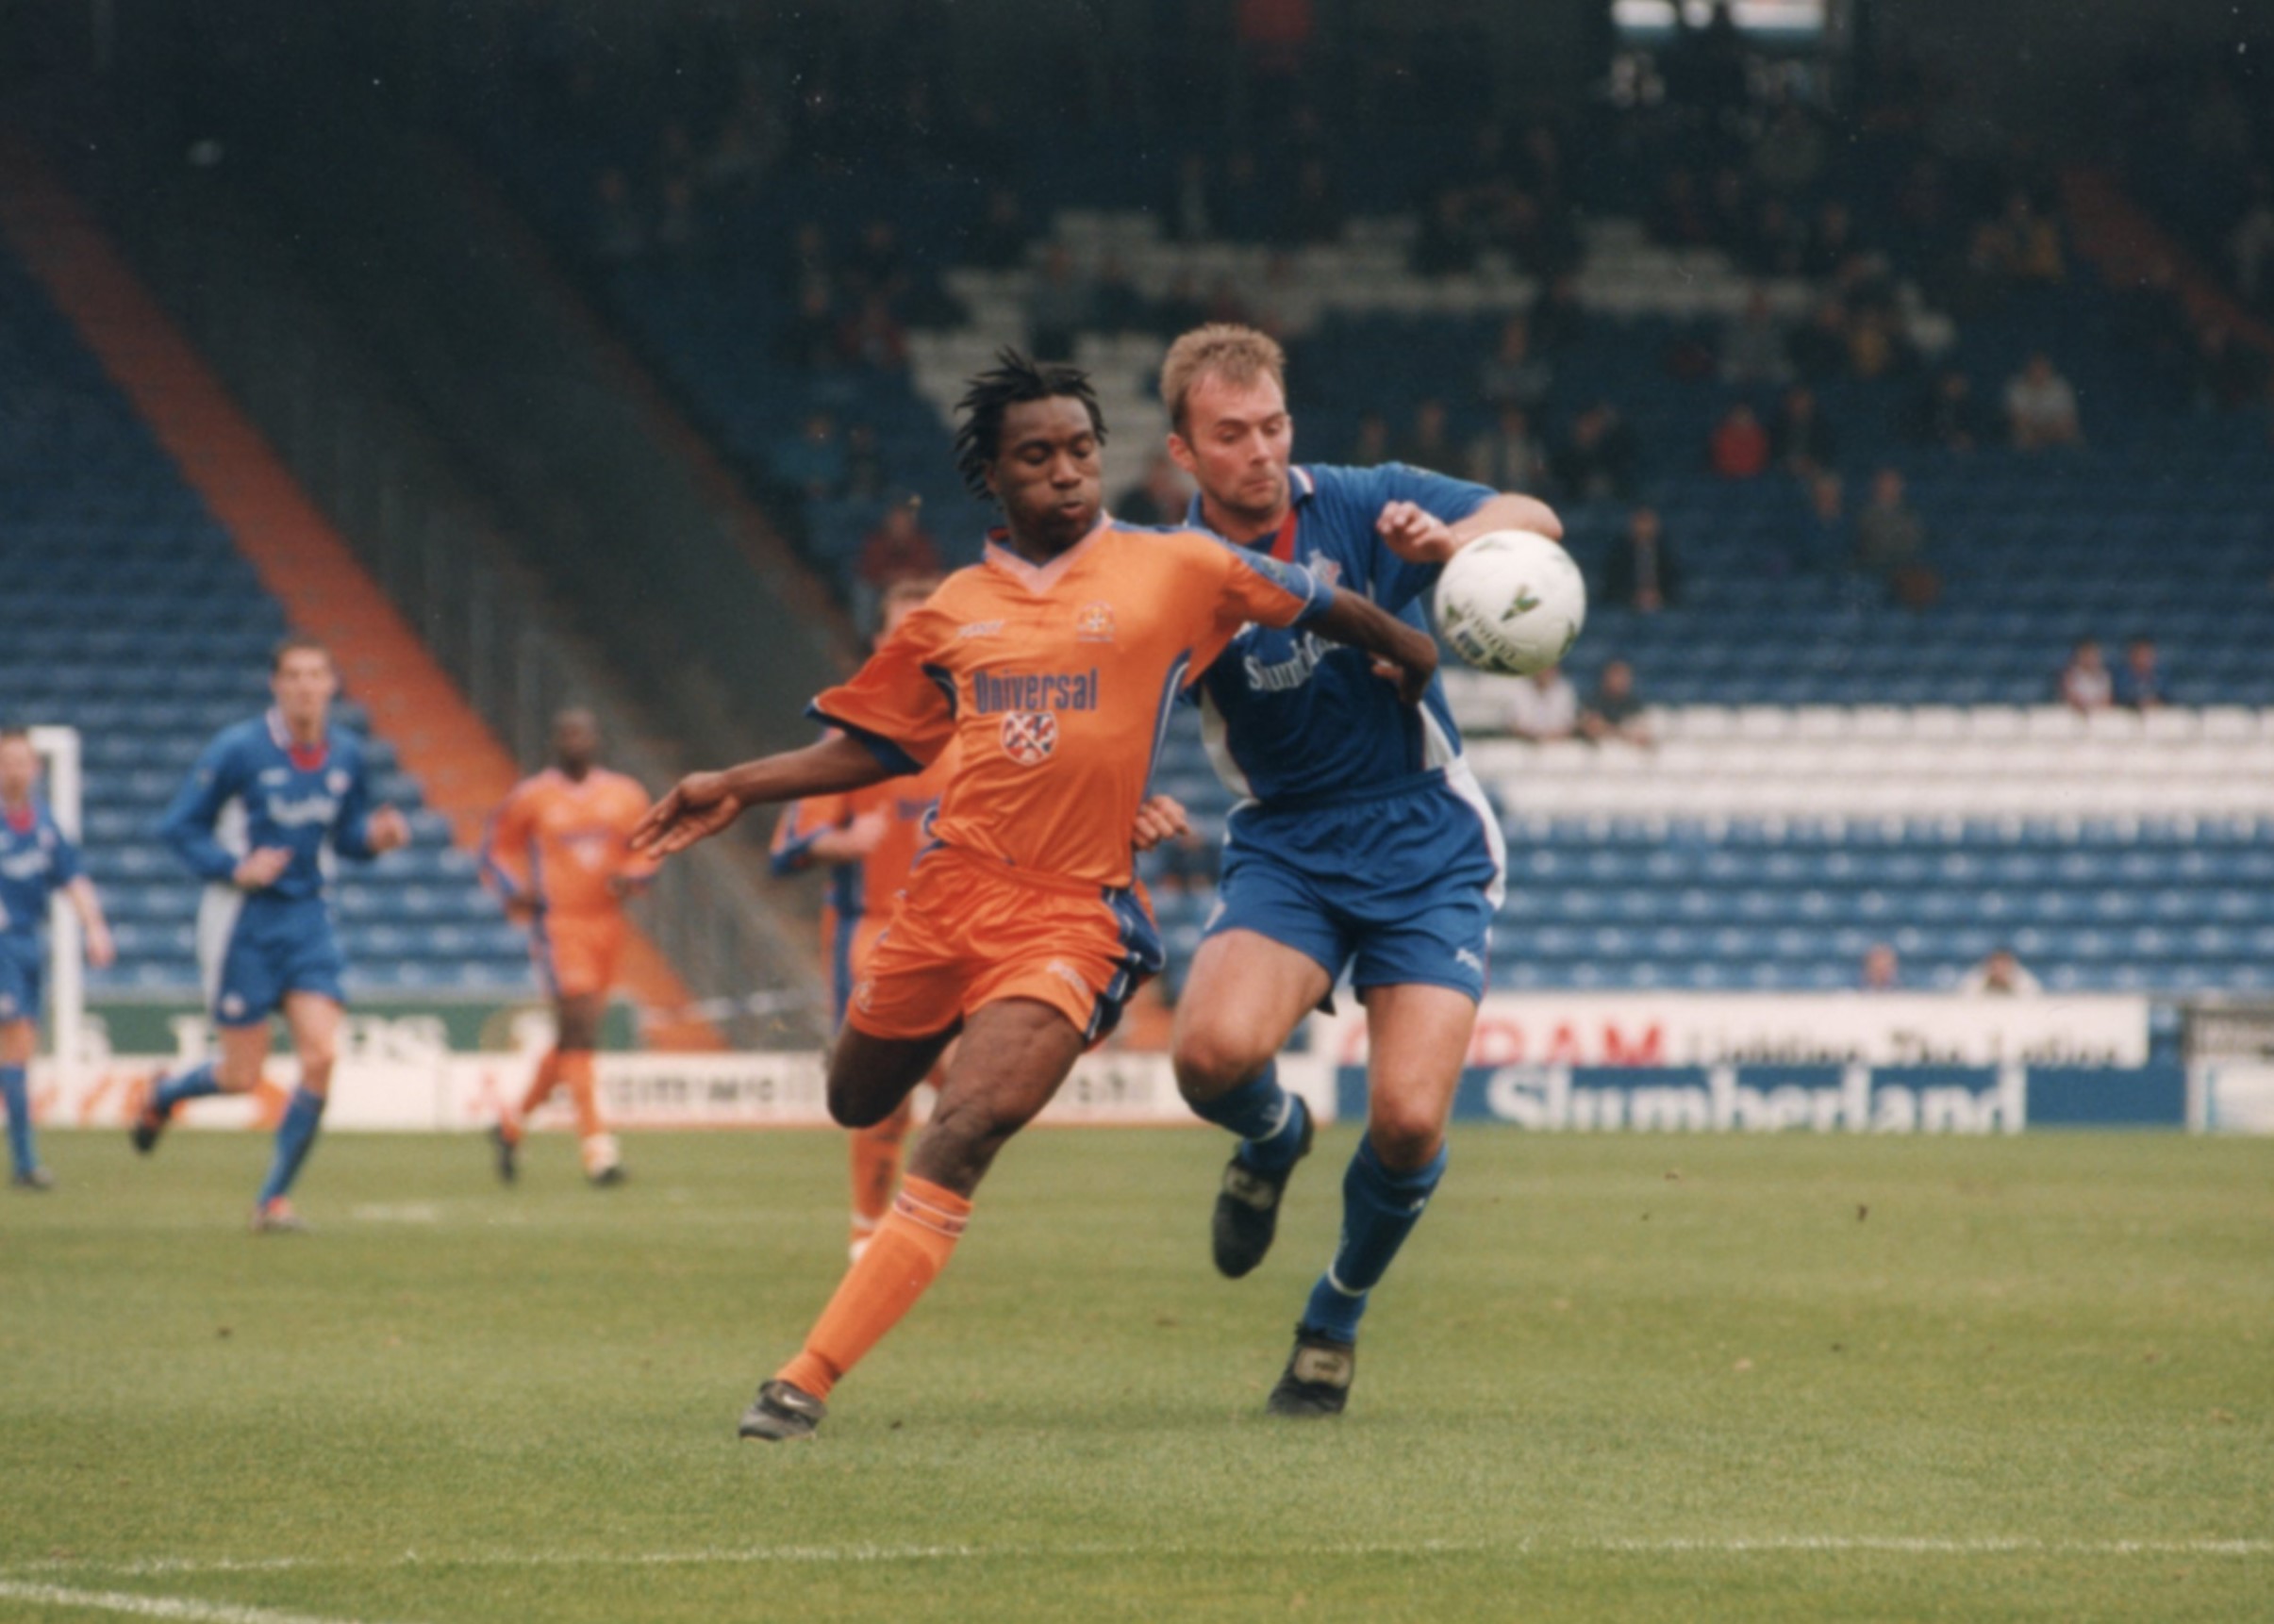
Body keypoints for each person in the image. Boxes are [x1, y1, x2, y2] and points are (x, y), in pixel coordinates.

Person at [631, 351, 1436, 1441]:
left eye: (1080, 451)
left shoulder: (1178, 565)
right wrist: (736, 783)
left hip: (1072, 914)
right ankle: (1249, 1130)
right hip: (946, 898)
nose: (1065, 472)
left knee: (963, 1128)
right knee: (855, 1100)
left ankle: (801, 1382)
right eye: (1036, 457)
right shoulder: (952, 610)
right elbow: (879, 744)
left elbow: (1314, 599)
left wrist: (1405, 647)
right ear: (993, 478)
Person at [1156, 323, 1565, 1417]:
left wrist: (1450, 539)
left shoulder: (1361, 499)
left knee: (1406, 1123)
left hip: (1425, 839)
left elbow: (1535, 519)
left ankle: (1332, 1317)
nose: (1259, 450)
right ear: (1182, 452)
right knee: (1207, 1060)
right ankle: (1273, 1135)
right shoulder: (1170, 572)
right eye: (1229, 434)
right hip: (1288, 843)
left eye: (1272, 425)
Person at [133, 638, 411, 1231]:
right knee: (242, 1076)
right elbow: (179, 827)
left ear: (332, 684)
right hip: (244, 923)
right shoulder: (239, 749)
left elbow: (347, 836)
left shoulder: (347, 754)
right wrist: (235, 867)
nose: (306, 686)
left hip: (307, 920)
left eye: (316, 675)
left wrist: (376, 838)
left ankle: (272, 1200)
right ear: (276, 685)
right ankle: (163, 1095)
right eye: (294, 675)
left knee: (322, 1056)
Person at [769, 574, 960, 1260]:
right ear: (881, 641)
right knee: (889, 1085)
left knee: (967, 1087)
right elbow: (790, 844)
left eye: (929, 630)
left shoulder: (983, 729)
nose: (917, 644)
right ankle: (867, 1230)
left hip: (960, 932)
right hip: (873, 930)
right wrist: (842, 841)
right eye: (904, 630)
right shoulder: (854, 729)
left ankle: (909, 1220)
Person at [481, 708, 656, 1187]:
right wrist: (516, 888)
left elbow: (647, 847)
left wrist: (632, 876)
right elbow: (496, 847)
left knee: (573, 1038)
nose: (575, 741)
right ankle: (598, 1150)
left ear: (596, 740)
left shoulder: (625, 794)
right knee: (580, 1030)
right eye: (566, 734)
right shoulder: (533, 796)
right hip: (559, 925)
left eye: (583, 733)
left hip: (608, 924)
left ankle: (510, 1125)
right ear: (555, 742)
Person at [0, 729, 114, 1189]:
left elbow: (74, 879)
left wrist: (95, 927)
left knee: (20, 1050)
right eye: (6, 761)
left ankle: (25, 1161)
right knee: (12, 1043)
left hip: (28, 945)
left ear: (36, 768)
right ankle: (26, 1161)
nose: (13, 770)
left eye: (21, 761)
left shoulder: (44, 823)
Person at [1604, 505, 1683, 613]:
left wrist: (1659, 597)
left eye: (1647, 522)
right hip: (1628, 607)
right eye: (1640, 522)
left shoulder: (1665, 554)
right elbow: (1612, 586)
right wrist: (1634, 597)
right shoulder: (1619, 555)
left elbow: (1674, 584)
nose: (1644, 527)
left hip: (1661, 606)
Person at [2004, 353, 2083, 450]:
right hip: (2029, 433)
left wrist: (2048, 433)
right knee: (2022, 438)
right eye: (2035, 369)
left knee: (2072, 436)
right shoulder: (2016, 388)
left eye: (2042, 369)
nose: (2039, 373)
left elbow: (2067, 419)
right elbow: (2018, 421)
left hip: (2054, 431)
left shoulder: (2060, 388)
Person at [1579, 659, 1653, 746]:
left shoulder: (1634, 704)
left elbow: (1641, 734)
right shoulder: (1593, 701)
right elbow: (1592, 727)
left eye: (1624, 677)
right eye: (1616, 676)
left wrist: (1611, 729)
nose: (1620, 681)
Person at [1503, 666, 1579, 741]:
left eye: (1548, 670)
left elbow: (1569, 725)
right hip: (1523, 742)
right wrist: (1534, 737)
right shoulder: (1518, 688)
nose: (1544, 673)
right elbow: (1514, 725)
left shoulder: (1564, 690)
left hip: (1557, 742)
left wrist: (1548, 737)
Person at [1959, 948, 2042, 996]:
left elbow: (2034, 998)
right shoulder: (1978, 978)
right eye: (1995, 967)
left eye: (2003, 966)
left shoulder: (2022, 980)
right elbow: (1965, 996)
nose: (1999, 971)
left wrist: (2012, 981)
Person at [2113, 637, 2167, 710]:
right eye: (2141, 655)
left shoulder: (2160, 678)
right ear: (2132, 656)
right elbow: (2120, 699)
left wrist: (2156, 701)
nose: (2144, 660)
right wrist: (2137, 703)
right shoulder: (2121, 679)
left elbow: (2168, 698)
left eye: (2147, 655)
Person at [2058, 639, 2114, 712]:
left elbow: (2107, 699)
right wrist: (2083, 705)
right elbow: (2070, 697)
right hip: (2074, 712)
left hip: (2098, 711)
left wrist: (2094, 706)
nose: (2089, 658)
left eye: (2092, 655)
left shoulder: (2104, 675)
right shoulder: (2070, 675)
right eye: (2086, 655)